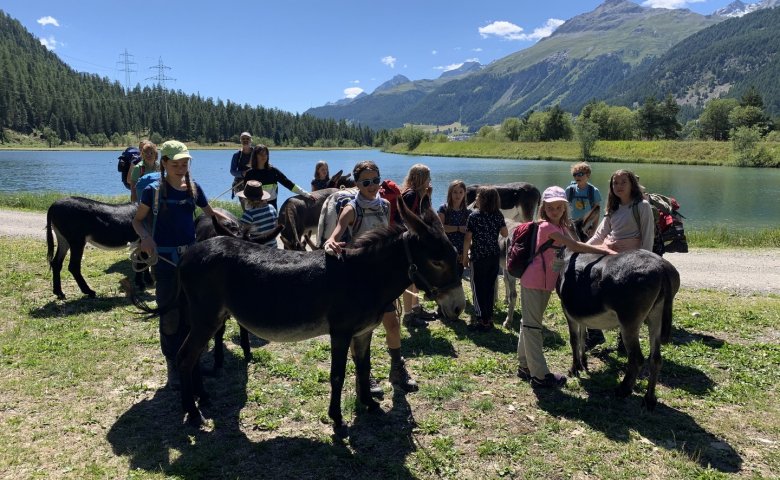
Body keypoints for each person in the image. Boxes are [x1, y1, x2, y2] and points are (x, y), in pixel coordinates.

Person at [131, 140, 232, 388]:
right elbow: (138, 221)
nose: (181, 167)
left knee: (192, 313)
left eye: (185, 163)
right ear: (164, 163)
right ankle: (173, 367)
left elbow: (211, 214)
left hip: (192, 262)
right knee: (169, 313)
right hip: (164, 262)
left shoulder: (194, 189)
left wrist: (236, 230)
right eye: (176, 163)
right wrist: (145, 238)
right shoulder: (153, 191)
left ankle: (191, 359)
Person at [324, 160, 418, 394]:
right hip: (360, 282)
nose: (372, 185)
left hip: (382, 280)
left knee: (393, 325)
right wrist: (331, 241)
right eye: (366, 182)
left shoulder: (386, 205)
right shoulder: (351, 208)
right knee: (362, 332)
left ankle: (397, 369)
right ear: (357, 183)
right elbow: (336, 233)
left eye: (376, 180)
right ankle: (364, 377)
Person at [516, 186, 615, 388]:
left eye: (559, 207)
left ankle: (525, 365)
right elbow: (575, 246)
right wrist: (603, 250)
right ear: (543, 208)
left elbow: (569, 250)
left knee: (529, 323)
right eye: (551, 207)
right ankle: (540, 376)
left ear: (565, 208)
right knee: (533, 327)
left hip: (545, 283)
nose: (555, 211)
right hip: (534, 281)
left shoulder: (562, 227)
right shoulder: (546, 228)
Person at [584, 169, 654, 350]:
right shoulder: (612, 209)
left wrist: (644, 263)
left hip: (632, 260)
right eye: (615, 183)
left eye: (624, 182)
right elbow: (599, 236)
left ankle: (626, 340)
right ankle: (594, 332)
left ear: (632, 185)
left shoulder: (642, 206)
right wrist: (579, 249)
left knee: (628, 303)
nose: (619, 186)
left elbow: (647, 237)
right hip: (609, 255)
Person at [462, 186, 508, 332]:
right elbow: (505, 233)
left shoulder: (474, 216)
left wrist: (464, 257)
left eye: (477, 196)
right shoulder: (498, 215)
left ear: (483, 199)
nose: (475, 198)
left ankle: (481, 320)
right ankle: (489, 317)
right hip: (493, 256)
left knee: (477, 288)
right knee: (489, 287)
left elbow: (467, 238)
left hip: (478, 257)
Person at [400, 164, 436, 328]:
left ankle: (415, 308)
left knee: (415, 278)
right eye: (428, 177)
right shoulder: (411, 195)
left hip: (413, 243)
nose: (430, 180)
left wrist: (428, 196)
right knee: (410, 279)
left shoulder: (417, 194)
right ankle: (408, 316)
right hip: (408, 245)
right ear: (421, 179)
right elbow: (411, 220)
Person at [242, 144, 313, 210]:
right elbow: (246, 195)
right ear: (255, 156)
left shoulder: (273, 171)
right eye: (260, 154)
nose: (264, 156)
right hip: (255, 210)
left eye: (265, 154)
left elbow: (289, 184)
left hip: (271, 209)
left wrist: (306, 194)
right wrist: (249, 211)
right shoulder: (249, 174)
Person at [437, 179, 471, 280]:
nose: (458, 195)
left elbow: (469, 235)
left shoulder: (468, 212)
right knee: (444, 279)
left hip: (460, 251)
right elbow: (441, 229)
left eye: (461, 192)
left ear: (464, 194)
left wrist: (465, 255)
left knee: (457, 279)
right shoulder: (443, 209)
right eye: (455, 192)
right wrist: (458, 228)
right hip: (446, 249)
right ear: (450, 193)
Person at [238, 180, 278, 248]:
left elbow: (241, 234)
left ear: (247, 199)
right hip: (273, 248)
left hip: (258, 250)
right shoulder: (272, 208)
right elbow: (276, 226)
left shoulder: (249, 214)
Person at [229, 132, 254, 199]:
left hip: (255, 183)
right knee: (245, 206)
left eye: (247, 138)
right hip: (240, 184)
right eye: (243, 139)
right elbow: (232, 171)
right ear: (240, 140)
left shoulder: (256, 153)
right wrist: (242, 174)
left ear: (251, 140)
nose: (245, 140)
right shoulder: (236, 155)